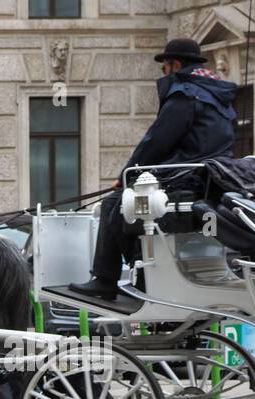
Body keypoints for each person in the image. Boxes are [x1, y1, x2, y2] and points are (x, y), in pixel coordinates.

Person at [70, 39, 237, 301]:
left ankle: (108, 279)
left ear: (176, 65)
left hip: (186, 178)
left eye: (164, 68)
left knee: (115, 204)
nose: (163, 74)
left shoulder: (185, 94)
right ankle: (142, 272)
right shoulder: (219, 96)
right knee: (127, 208)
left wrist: (127, 173)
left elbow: (156, 141)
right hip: (208, 178)